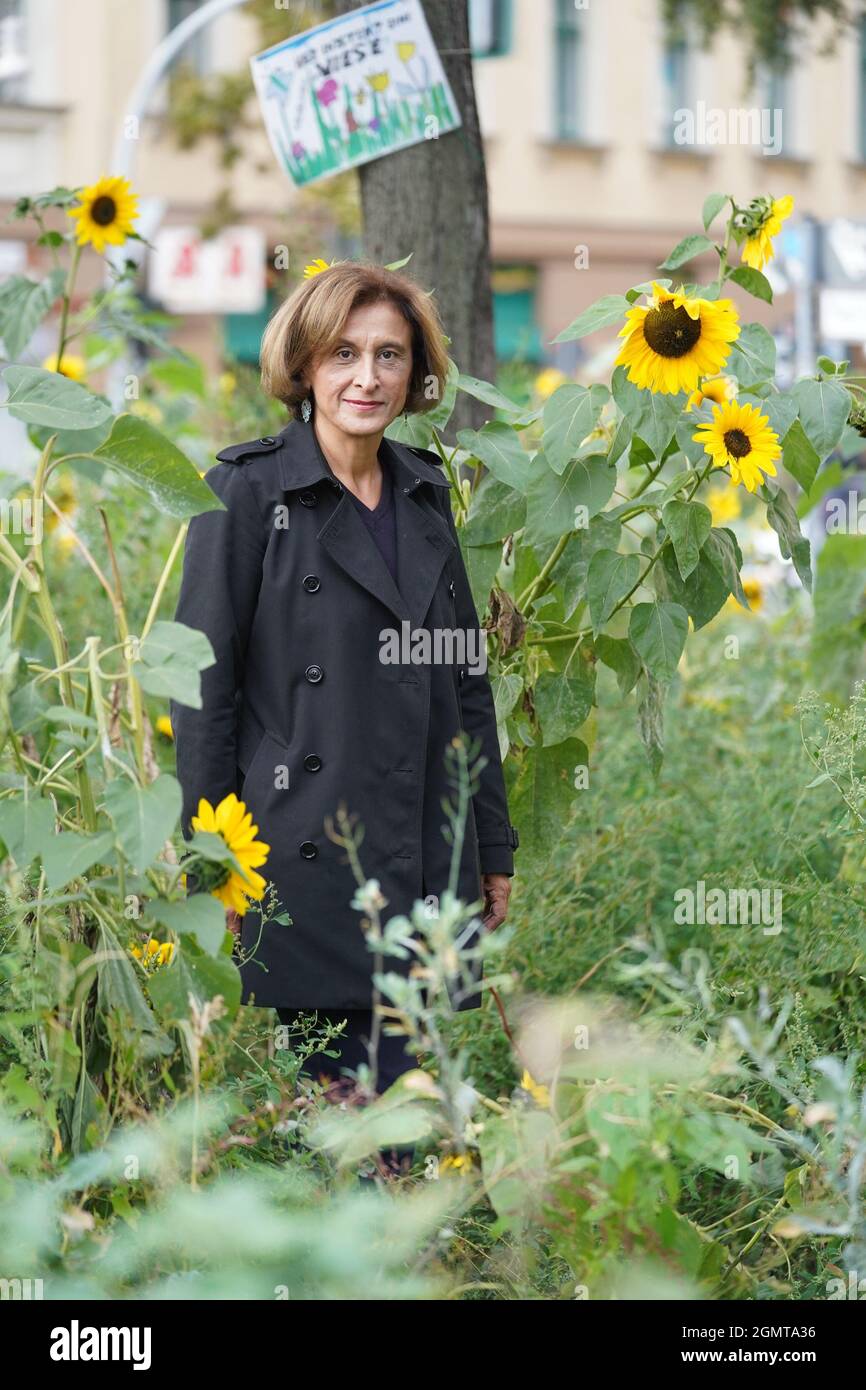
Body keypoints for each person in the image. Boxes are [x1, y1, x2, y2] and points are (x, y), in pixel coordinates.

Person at [170, 260, 519, 1115]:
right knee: (348, 1115)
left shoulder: (426, 497)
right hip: (302, 851)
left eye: (390, 356)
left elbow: (465, 684)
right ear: (305, 368)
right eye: (344, 354)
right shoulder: (247, 491)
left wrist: (493, 848)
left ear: (415, 373)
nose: (368, 377)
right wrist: (211, 862)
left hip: (424, 848)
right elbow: (200, 690)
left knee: (404, 1106)